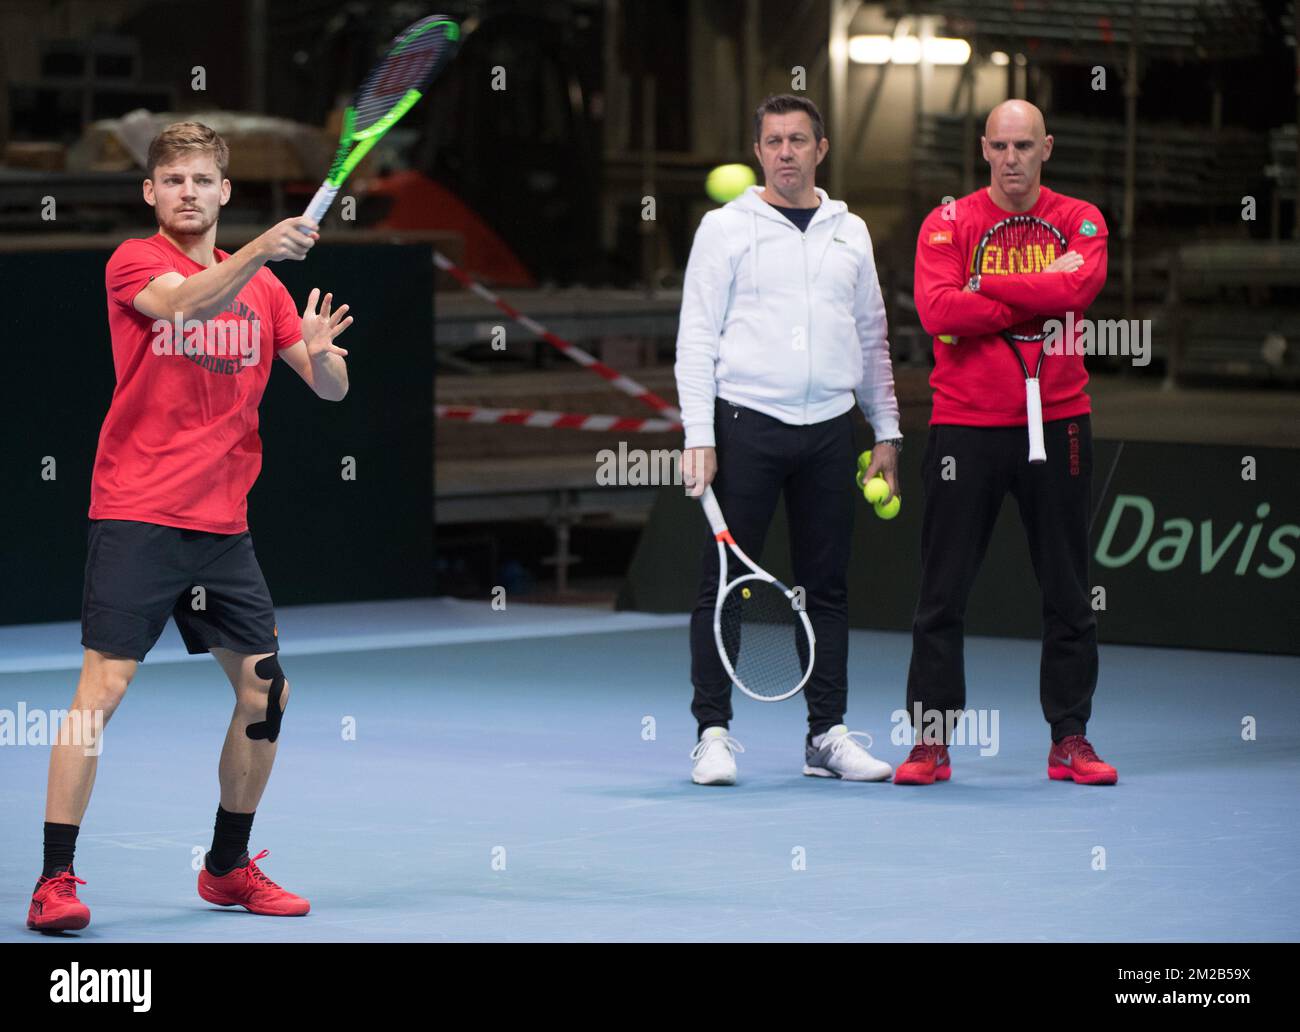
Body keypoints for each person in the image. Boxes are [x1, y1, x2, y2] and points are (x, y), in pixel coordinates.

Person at [28, 121, 354, 931]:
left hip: (221, 526)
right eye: (172, 181)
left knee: (267, 692)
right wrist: (257, 253)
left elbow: (330, 391)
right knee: (100, 692)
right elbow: (179, 301)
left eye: (202, 180)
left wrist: (320, 354)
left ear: (223, 192)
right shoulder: (134, 263)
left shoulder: (268, 292)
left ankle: (227, 867)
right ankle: (55, 881)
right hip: (138, 511)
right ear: (151, 193)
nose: (187, 193)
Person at [676, 94, 901, 786]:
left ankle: (825, 736)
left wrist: (886, 430)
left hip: (832, 434)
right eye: (773, 141)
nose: (785, 152)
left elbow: (872, 340)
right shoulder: (724, 228)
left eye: (798, 140)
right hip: (747, 427)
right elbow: (697, 337)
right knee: (724, 586)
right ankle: (712, 734)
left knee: (826, 589)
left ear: (821, 150)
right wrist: (698, 433)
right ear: (758, 151)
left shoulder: (851, 232)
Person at [896, 100, 1118, 786]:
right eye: (1000, 146)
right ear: (984, 149)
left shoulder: (1081, 219)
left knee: (1068, 589)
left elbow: (1079, 288)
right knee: (942, 592)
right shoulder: (947, 222)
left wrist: (986, 286)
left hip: (1060, 420)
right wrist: (1040, 294)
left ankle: (1070, 740)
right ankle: (931, 744)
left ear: (1046, 147)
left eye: (1025, 145)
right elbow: (938, 311)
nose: (1012, 158)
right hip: (965, 425)